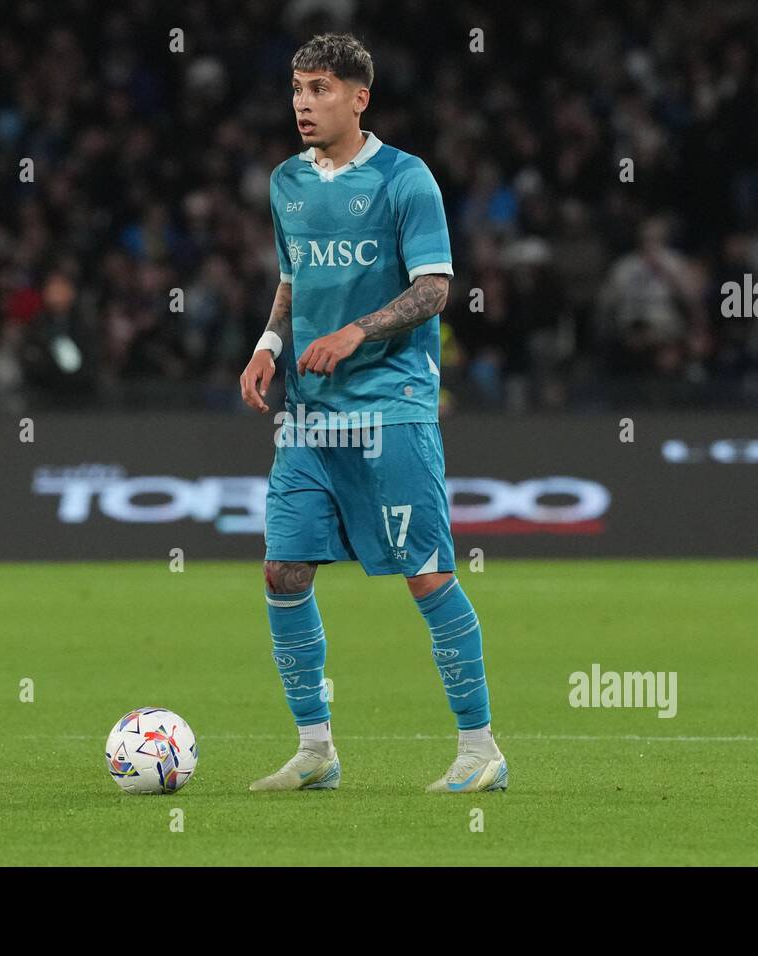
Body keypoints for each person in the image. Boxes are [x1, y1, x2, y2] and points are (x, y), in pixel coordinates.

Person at [238, 33, 507, 794]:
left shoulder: (406, 179)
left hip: (391, 406)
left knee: (424, 575)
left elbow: (434, 289)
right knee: (284, 570)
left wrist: (358, 330)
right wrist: (267, 344)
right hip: (311, 417)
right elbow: (291, 280)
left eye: (320, 89)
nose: (302, 103)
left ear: (359, 98)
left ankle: (481, 749)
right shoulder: (285, 182)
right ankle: (316, 750)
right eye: (296, 88)